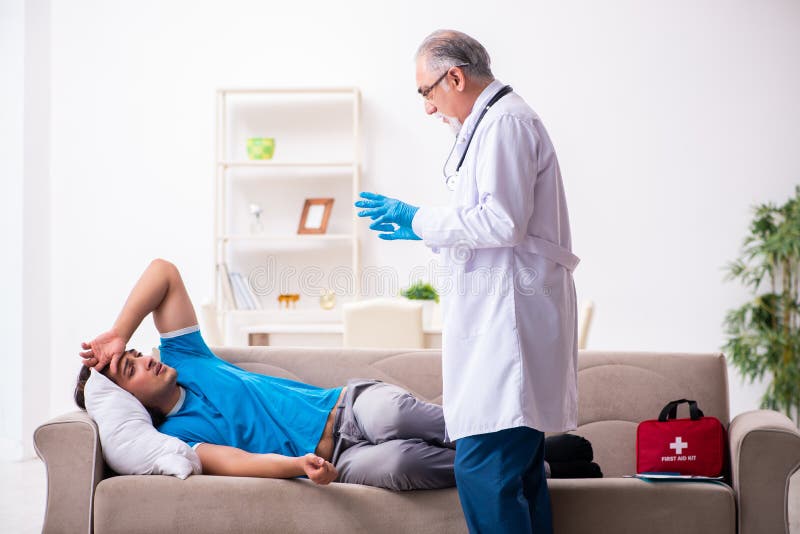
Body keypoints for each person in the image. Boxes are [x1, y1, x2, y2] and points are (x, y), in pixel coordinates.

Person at [75, 259, 596, 491]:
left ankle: (518, 437)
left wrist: (118, 334)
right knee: (396, 464)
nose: (145, 358)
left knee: (392, 415)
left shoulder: (186, 356)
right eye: (131, 367)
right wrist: (300, 469)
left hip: (346, 406)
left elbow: (163, 271)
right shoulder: (176, 437)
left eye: (137, 352)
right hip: (340, 459)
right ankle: (538, 465)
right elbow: (232, 460)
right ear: (132, 401)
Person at [355, 30, 579, 532]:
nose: (428, 109)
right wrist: (423, 229)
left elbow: (502, 221)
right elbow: (486, 223)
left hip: (511, 327)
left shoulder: (506, 124)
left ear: (454, 76)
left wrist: (417, 219)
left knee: (482, 468)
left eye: (426, 92)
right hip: (502, 321)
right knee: (516, 476)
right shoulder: (490, 125)